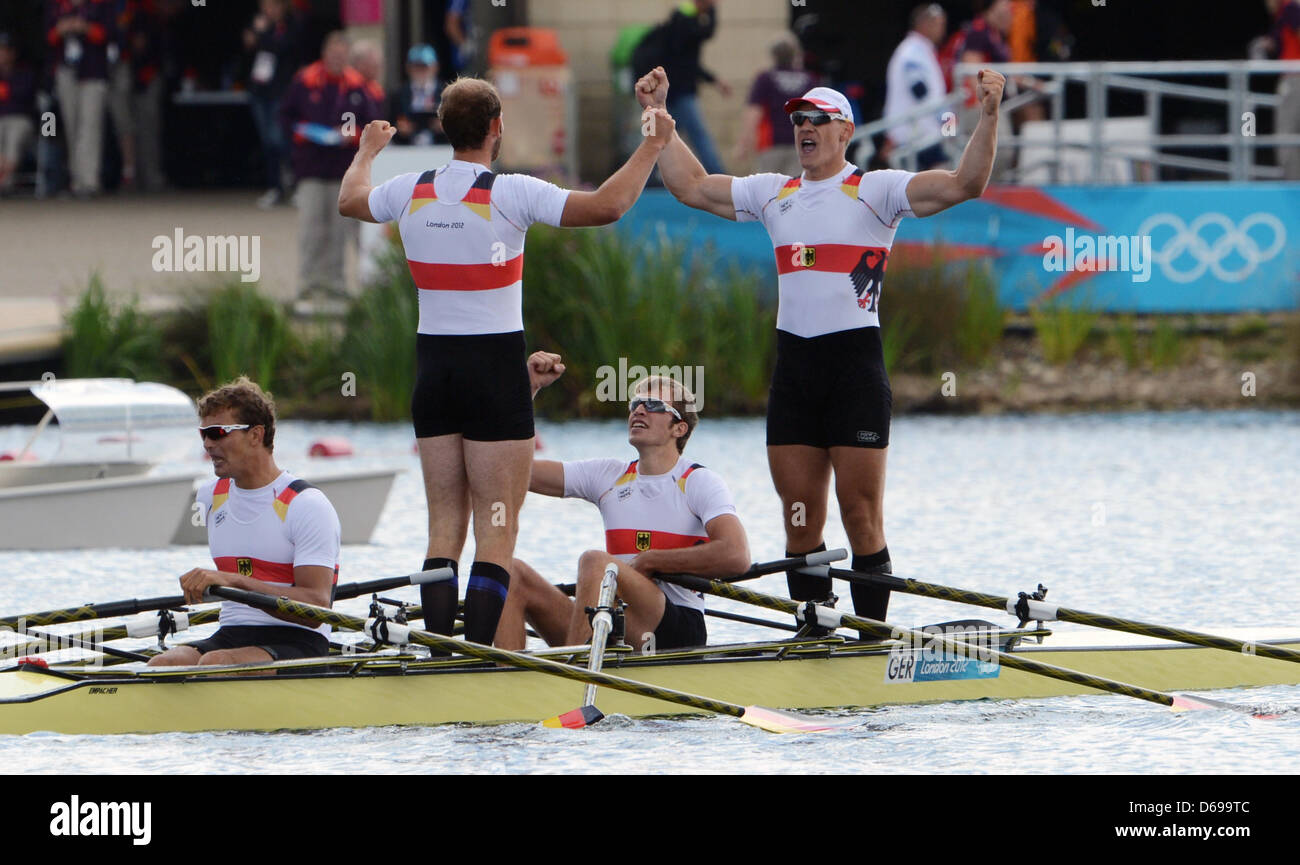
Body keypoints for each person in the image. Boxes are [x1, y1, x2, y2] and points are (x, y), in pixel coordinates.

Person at [636, 65, 1004, 632]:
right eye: (798, 120)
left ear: (843, 132)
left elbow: (965, 184)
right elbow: (690, 185)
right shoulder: (772, 192)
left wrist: (989, 113)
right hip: (796, 373)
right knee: (800, 522)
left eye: (817, 120)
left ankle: (869, 638)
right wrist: (660, 118)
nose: (804, 128)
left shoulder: (876, 189)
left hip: (854, 369)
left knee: (861, 517)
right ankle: (814, 637)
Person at [337, 78, 675, 647]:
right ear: (496, 129)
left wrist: (368, 150)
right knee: (497, 531)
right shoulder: (511, 191)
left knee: (444, 526)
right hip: (494, 369)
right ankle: (476, 659)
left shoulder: (408, 190)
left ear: (445, 129)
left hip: (433, 373)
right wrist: (653, 144)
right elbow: (608, 206)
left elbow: (349, 199)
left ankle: (442, 652)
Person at [495, 359, 750, 654]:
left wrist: (653, 561)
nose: (639, 410)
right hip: (613, 618)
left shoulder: (698, 481)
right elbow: (510, 468)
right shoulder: (608, 476)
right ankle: (508, 679)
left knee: (596, 562)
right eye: (635, 404)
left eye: (654, 406)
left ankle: (572, 674)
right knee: (511, 572)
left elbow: (736, 554)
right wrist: (529, 387)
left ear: (679, 428)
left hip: (676, 627)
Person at [148, 377, 341, 668]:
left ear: (255, 435)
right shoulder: (211, 496)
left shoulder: (306, 505)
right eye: (203, 435)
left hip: (298, 638)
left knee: (215, 664)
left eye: (218, 433)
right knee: (162, 665)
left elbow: (315, 607)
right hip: (232, 633)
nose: (208, 444)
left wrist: (234, 581)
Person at [280, 30, 380, 312]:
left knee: (340, 232)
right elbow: (285, 117)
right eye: (332, 53)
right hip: (310, 169)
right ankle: (308, 284)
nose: (337, 59)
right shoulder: (305, 80)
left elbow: (375, 126)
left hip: (344, 171)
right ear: (324, 54)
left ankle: (336, 286)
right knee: (311, 228)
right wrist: (301, 133)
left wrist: (353, 135)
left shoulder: (358, 87)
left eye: (342, 54)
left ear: (347, 57)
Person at [47, 0, 115, 196]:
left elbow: (111, 35)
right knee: (71, 126)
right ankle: (76, 181)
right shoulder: (57, 5)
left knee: (90, 127)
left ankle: (89, 181)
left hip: (93, 71)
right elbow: (48, 36)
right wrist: (61, 30)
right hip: (66, 71)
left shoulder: (102, 4)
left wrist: (85, 28)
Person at [654, 0, 730, 176]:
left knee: (662, 137)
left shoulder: (685, 19)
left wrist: (714, 80)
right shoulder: (684, 21)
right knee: (699, 135)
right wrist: (712, 11)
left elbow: (691, 62)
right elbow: (706, 33)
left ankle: (645, 175)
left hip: (676, 91)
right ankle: (718, 174)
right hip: (679, 91)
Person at [736, 35, 818, 177]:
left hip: (770, 144)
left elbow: (754, 112)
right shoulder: (809, 80)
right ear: (795, 55)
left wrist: (744, 143)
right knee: (795, 190)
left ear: (773, 55)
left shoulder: (765, 78)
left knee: (767, 192)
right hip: (802, 144)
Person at [244, 0, 299, 207]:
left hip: (280, 92)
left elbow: (282, 48)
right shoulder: (258, 25)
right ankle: (274, 186)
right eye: (265, 6)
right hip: (259, 91)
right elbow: (250, 51)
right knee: (267, 141)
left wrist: (260, 35)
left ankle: (292, 182)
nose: (268, 11)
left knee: (280, 139)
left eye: (273, 6)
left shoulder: (290, 26)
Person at [883, 3, 950, 171]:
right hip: (917, 133)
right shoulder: (912, 51)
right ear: (925, 24)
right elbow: (920, 91)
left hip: (922, 132)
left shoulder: (922, 50)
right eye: (939, 24)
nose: (942, 29)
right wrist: (949, 127)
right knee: (939, 181)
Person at [1254, 0, 1300, 179]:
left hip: (1294, 79)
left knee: (1285, 139)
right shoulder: (1283, 13)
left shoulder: (1291, 8)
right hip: (1292, 77)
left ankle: (1294, 188)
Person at [0, 33, 36, 195]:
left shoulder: (24, 73)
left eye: (5, 50)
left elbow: (24, 95)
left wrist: (6, 91)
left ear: (13, 53)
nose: (2, 54)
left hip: (20, 121)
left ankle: (4, 184)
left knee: (13, 139)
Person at [393, 43, 443, 146]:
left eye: (424, 67)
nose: (421, 71)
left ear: (435, 67)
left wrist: (445, 127)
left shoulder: (446, 94)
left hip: (440, 149)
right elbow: (390, 122)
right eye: (416, 67)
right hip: (407, 151)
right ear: (408, 68)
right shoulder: (398, 94)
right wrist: (399, 129)